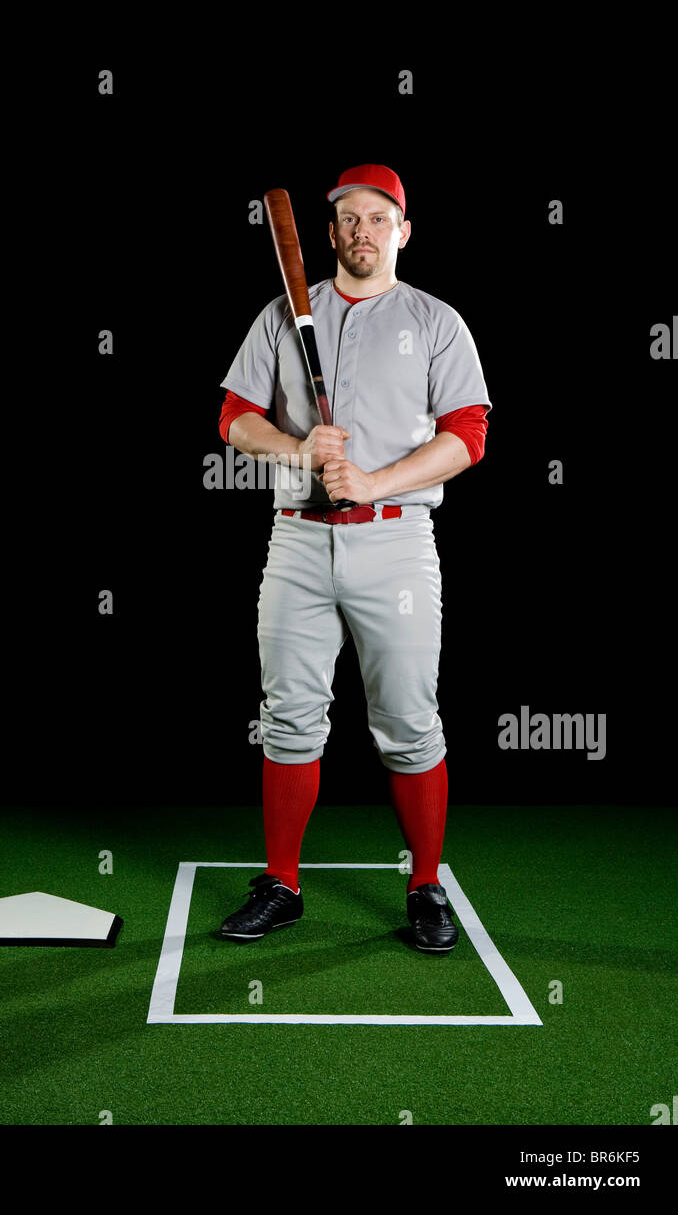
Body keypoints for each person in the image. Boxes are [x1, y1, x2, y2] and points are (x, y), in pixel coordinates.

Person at [217, 164, 491, 951]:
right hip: (298, 540)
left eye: (379, 218)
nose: (362, 231)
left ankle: (426, 884)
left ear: (403, 232)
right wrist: (299, 449)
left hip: (396, 540)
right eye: (348, 219)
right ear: (330, 233)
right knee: (288, 720)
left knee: (408, 721)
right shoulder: (280, 313)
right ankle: (282, 882)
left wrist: (372, 476)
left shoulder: (438, 321)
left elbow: (467, 436)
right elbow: (234, 417)